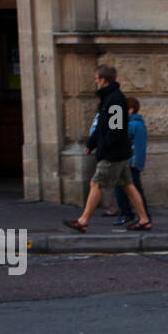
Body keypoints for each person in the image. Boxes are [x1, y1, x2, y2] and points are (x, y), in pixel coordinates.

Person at [64, 64, 151, 232]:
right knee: (128, 185)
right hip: (117, 152)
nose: (95, 81)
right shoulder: (109, 99)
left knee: (96, 183)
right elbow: (102, 126)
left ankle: (83, 221)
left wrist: (105, 148)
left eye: (96, 78)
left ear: (103, 80)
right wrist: (91, 144)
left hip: (113, 154)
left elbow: (116, 129)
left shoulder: (115, 100)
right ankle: (144, 219)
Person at [113, 97, 149, 225]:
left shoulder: (135, 125)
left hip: (130, 163)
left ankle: (141, 215)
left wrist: (137, 163)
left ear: (130, 110)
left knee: (134, 190)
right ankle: (129, 213)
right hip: (124, 162)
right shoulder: (129, 123)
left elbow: (140, 146)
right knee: (122, 189)